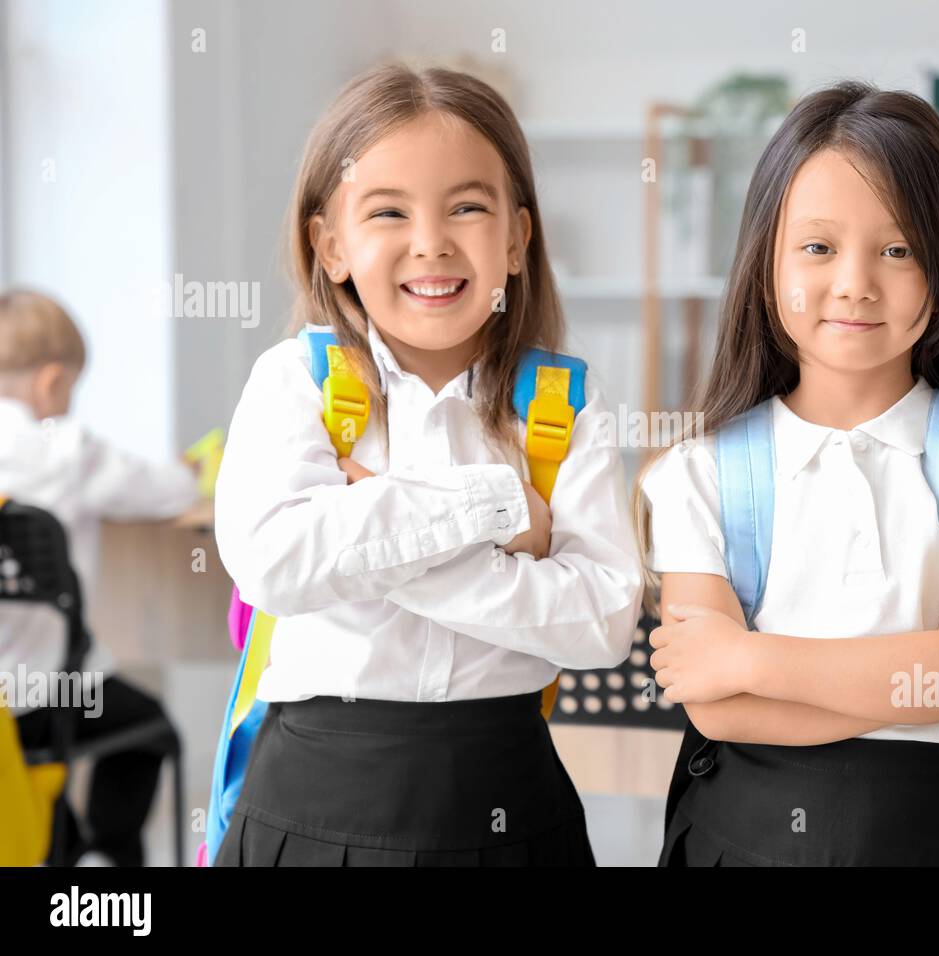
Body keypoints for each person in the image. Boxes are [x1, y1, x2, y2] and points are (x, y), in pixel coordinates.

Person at [212, 64, 642, 866]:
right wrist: (496, 507)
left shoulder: (567, 402)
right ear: (330, 245)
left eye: (468, 207)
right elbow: (275, 565)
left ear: (517, 238)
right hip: (313, 804)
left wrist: (373, 532)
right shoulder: (293, 381)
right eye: (388, 212)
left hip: (509, 803)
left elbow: (603, 621)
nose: (431, 242)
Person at [636, 80, 939, 866]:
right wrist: (934, 688)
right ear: (764, 262)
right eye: (818, 246)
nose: (855, 283)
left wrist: (748, 660)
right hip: (744, 841)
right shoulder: (697, 470)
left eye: (898, 250)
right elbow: (714, 712)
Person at [0, 289, 196, 866]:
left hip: (2, 709)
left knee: (40, 769)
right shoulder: (64, 447)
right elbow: (170, 492)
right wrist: (187, 471)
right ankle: (111, 860)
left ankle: (68, 857)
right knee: (154, 727)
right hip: (48, 695)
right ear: (53, 383)